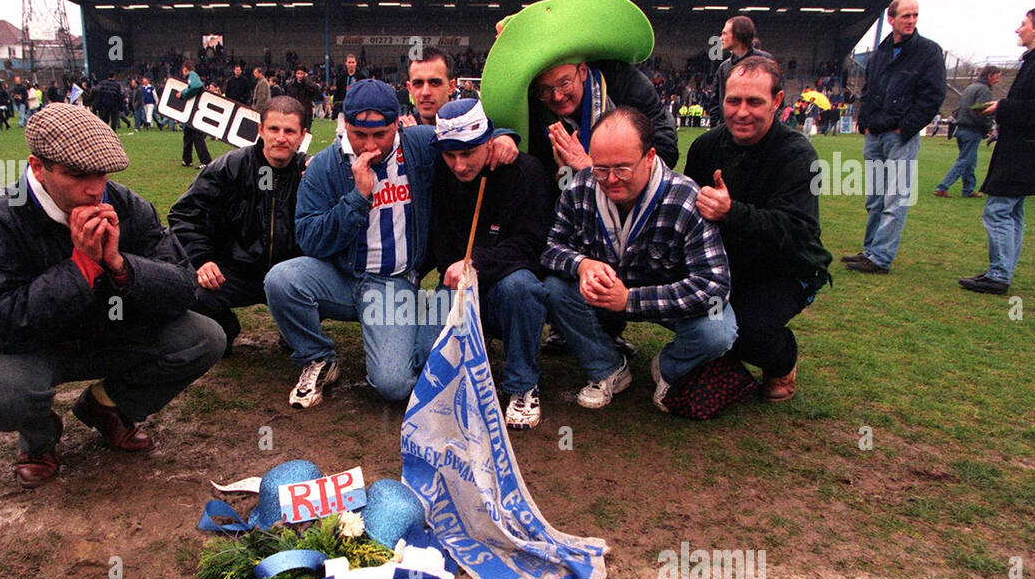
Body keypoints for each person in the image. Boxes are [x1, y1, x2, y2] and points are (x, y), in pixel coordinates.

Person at [0, 104, 225, 488]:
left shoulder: (128, 206)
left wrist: (119, 265)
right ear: (37, 167)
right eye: (76, 175)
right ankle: (39, 437)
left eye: (102, 173)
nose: (95, 189)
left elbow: (182, 285)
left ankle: (108, 407)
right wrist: (80, 267)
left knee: (205, 337)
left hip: (109, 332)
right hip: (35, 346)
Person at [264, 80, 518, 407]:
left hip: (391, 284)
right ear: (345, 126)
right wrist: (357, 198)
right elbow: (310, 238)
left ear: (397, 124)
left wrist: (504, 135)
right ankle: (317, 356)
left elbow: (468, 136)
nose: (370, 144)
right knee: (281, 279)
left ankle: (421, 313)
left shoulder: (420, 145)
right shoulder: (325, 167)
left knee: (394, 385)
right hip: (340, 276)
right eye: (359, 134)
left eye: (380, 134)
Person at [542, 107, 735, 411]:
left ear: (650, 157)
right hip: (603, 297)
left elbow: (713, 286)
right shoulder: (579, 187)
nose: (610, 180)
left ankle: (668, 368)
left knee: (717, 330)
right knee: (554, 288)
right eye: (601, 168)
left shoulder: (685, 199)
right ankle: (608, 369)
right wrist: (583, 265)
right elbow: (551, 247)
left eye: (622, 169)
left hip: (664, 300)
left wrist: (630, 300)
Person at [684, 56, 831, 402]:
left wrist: (731, 212)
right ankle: (722, 355)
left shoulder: (798, 155)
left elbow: (797, 231)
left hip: (787, 268)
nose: (741, 112)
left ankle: (782, 361)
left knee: (746, 329)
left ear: (777, 102)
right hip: (727, 263)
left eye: (754, 102)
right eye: (733, 101)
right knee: (678, 303)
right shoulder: (705, 146)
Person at [426, 99, 552, 429]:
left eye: (467, 153)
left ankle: (523, 384)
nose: (458, 164)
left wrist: (476, 262)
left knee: (521, 287)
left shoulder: (527, 172)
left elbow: (531, 245)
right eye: (450, 155)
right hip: (455, 286)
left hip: (506, 282)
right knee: (417, 368)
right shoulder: (440, 170)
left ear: (489, 143)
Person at [168, 96, 309, 354]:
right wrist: (202, 259)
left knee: (318, 286)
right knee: (193, 291)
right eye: (274, 129)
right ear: (260, 130)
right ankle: (224, 330)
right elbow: (185, 215)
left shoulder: (311, 172)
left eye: (289, 131)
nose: (281, 138)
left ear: (302, 135)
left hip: (290, 275)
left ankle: (294, 331)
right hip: (235, 272)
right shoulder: (229, 167)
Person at [959, 5, 1035, 294]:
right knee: (1011, 211)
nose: (1019, 29)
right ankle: (1001, 271)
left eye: (1024, 23)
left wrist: (1003, 107)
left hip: (1025, 151)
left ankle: (999, 274)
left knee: (998, 210)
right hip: (1027, 149)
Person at [842, 0, 945, 274]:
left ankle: (880, 257)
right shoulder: (881, 53)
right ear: (891, 19)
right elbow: (869, 90)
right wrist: (864, 121)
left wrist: (907, 126)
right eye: (905, 16)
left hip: (900, 135)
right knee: (875, 198)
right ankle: (870, 250)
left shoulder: (928, 52)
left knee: (895, 198)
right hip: (875, 134)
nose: (911, 20)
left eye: (915, 15)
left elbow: (933, 94)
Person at [528, 55, 680, 199]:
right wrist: (564, 173)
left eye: (564, 84)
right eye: (545, 89)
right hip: (576, 205)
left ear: (582, 72)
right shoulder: (536, 108)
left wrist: (594, 167)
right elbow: (546, 180)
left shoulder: (625, 84)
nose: (557, 96)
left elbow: (666, 152)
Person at [935, 66, 1000, 198]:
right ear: (990, 75)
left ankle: (968, 189)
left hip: (961, 129)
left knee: (970, 161)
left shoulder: (970, 87)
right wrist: (987, 128)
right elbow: (981, 111)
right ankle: (942, 187)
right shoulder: (984, 90)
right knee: (964, 160)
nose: (998, 80)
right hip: (972, 130)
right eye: (997, 77)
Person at [708, 16, 772, 126]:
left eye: (724, 33)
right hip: (728, 136)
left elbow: (775, 101)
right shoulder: (723, 68)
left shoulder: (765, 62)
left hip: (758, 135)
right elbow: (715, 104)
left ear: (737, 35)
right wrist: (718, 130)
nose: (720, 38)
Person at [399, 47, 456, 127]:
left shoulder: (472, 133)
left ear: (451, 86)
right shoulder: (398, 135)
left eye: (435, 83)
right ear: (410, 89)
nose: (425, 92)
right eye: (418, 83)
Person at [179, 60, 212, 168]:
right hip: (193, 112)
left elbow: (196, 86)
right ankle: (187, 160)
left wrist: (183, 94)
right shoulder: (193, 76)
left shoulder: (192, 75)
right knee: (188, 136)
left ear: (185, 69)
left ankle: (206, 161)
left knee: (197, 136)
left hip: (195, 111)